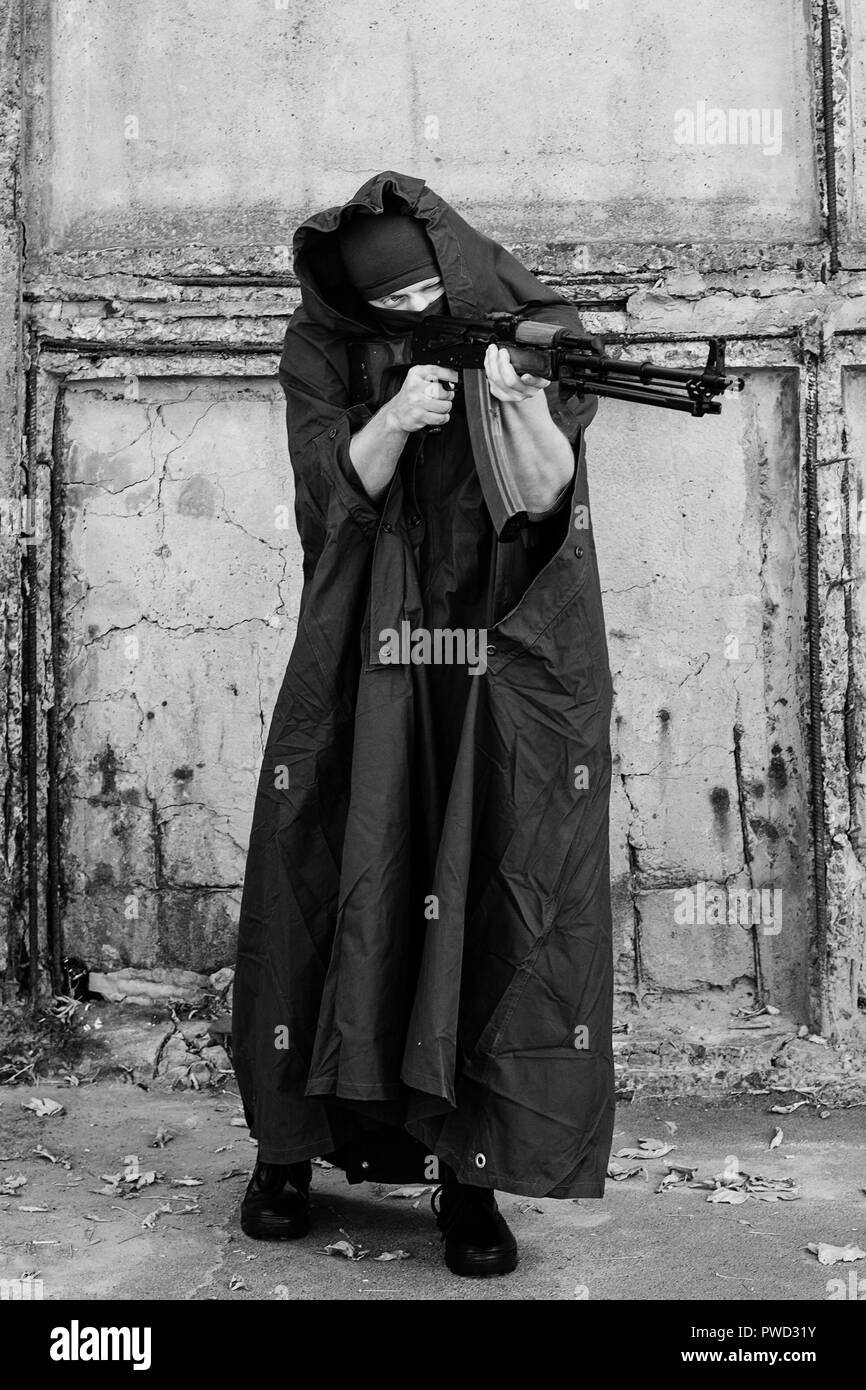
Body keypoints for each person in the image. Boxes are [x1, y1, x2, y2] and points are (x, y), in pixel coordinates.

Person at [232, 171, 615, 1278]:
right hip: (363, 646)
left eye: (416, 298)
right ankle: (286, 1152)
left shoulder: (526, 322)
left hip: (482, 649)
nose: (406, 317)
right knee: (322, 874)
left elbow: (549, 499)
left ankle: (470, 1173)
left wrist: (517, 407)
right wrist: (396, 415)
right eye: (384, 309)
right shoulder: (319, 347)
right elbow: (326, 495)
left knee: (481, 873)